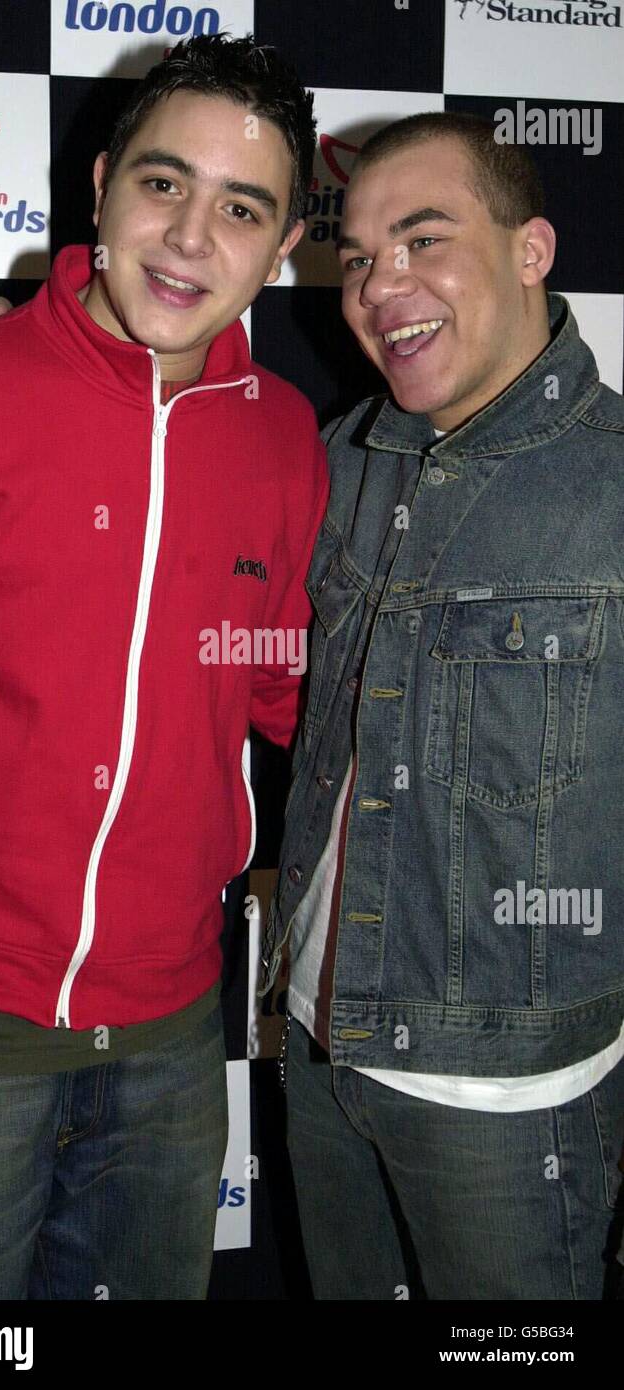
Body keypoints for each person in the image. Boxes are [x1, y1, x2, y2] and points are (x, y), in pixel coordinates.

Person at [0, 34, 329, 1301]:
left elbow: (282, 690)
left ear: (284, 245)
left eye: (240, 208)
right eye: (162, 183)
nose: (189, 237)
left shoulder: (286, 438)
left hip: (170, 1036)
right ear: (99, 185)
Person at [260, 111, 624, 1300]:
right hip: (320, 1043)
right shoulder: (343, 457)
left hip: (508, 1101)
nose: (379, 287)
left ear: (530, 250)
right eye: (360, 257)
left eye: (423, 240)